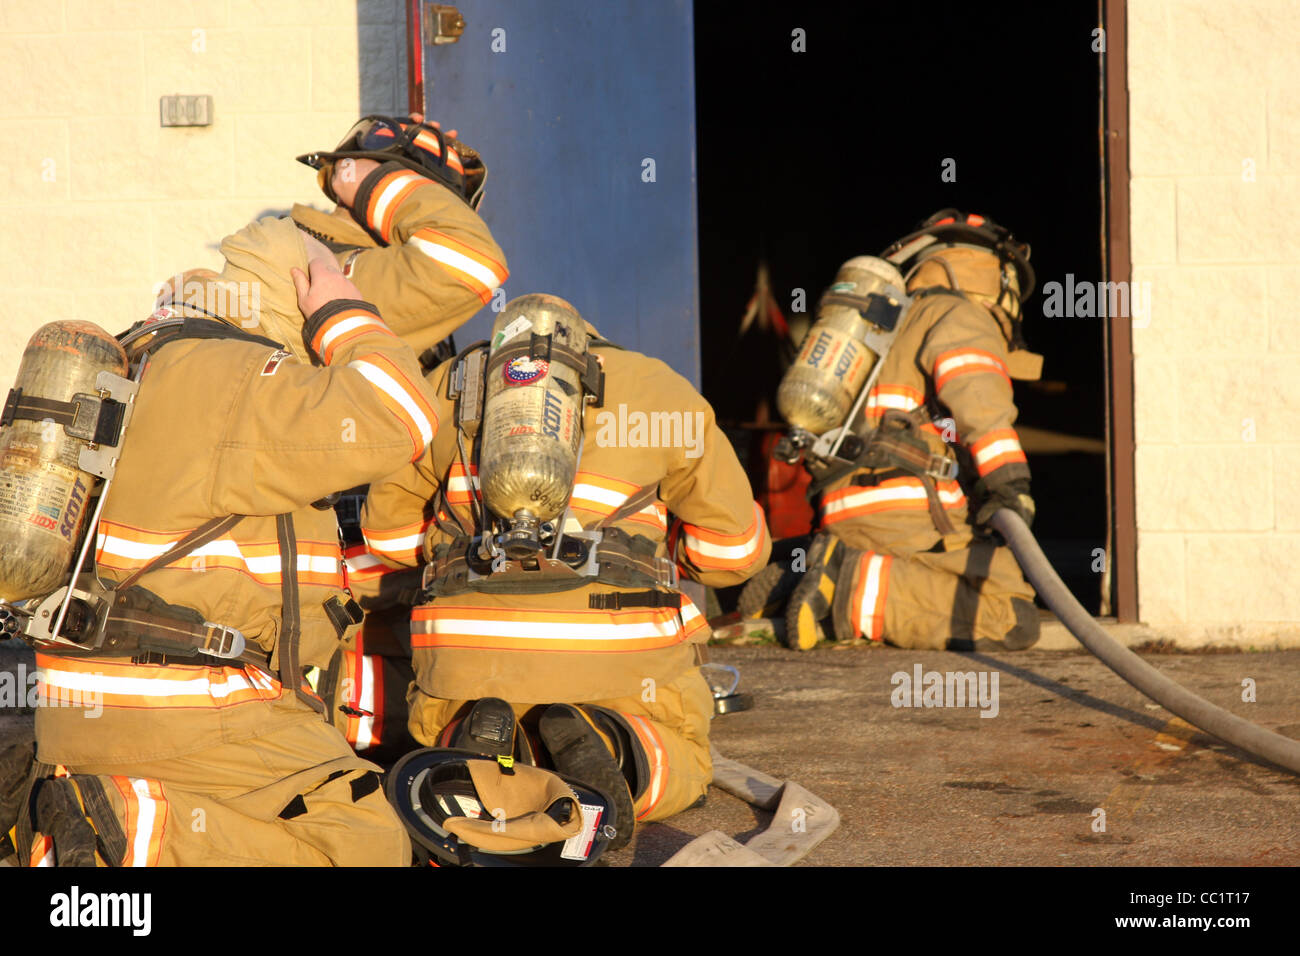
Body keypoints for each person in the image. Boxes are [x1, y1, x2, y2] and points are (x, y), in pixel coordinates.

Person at [15, 217, 439, 866]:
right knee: (363, 840)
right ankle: (129, 833)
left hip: (85, 695)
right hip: (188, 708)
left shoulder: (136, 360)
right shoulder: (239, 374)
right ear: (294, 293)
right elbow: (401, 414)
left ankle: (102, 831)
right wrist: (345, 311)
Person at [359, 294, 772, 854]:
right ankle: (621, 751)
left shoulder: (446, 383)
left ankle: (492, 753)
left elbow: (386, 538)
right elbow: (733, 557)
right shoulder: (659, 388)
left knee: (447, 718)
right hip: (617, 659)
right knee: (686, 755)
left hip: (469, 658)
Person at [291, 115, 510, 760]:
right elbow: (471, 262)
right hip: (336, 590)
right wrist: (368, 179)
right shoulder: (346, 267)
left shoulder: (296, 255)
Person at [774, 210, 1043, 652]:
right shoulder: (957, 313)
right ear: (988, 273)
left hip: (843, 513)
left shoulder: (881, 327)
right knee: (1008, 614)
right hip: (910, 515)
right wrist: (1011, 485)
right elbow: (980, 400)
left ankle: (807, 579)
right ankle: (848, 582)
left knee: (956, 581)